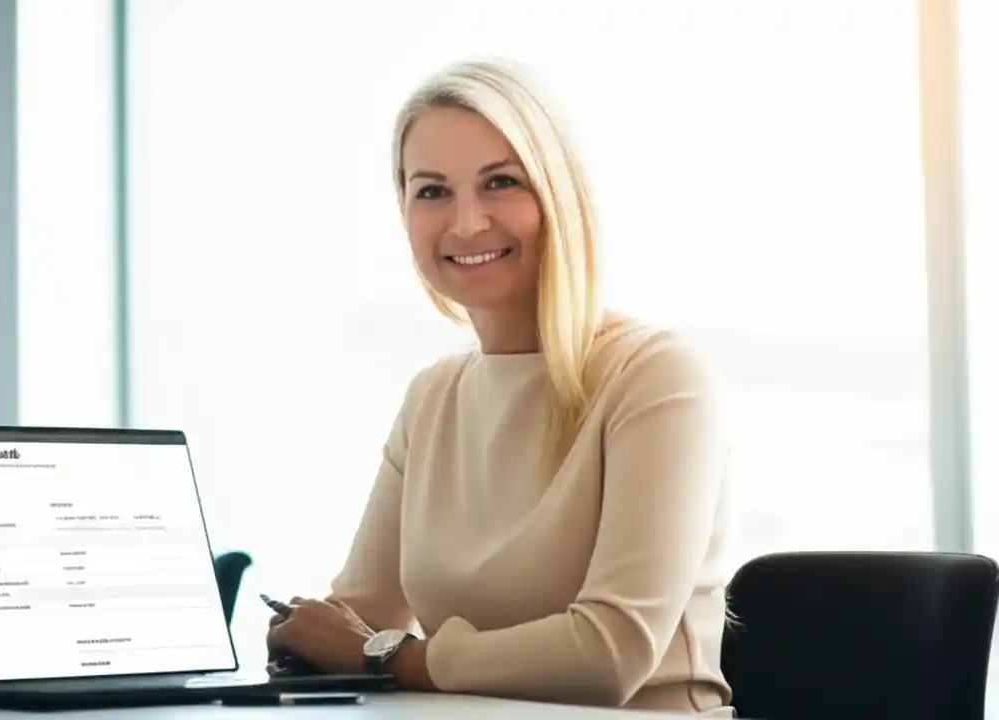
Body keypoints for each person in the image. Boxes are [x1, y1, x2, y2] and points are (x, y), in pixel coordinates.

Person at [264, 58, 734, 715]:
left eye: (500, 183)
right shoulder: (433, 397)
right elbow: (358, 616)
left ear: (557, 195)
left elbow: (610, 654)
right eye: (431, 191)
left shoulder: (654, 376)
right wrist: (301, 637)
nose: (466, 223)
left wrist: (391, 659)